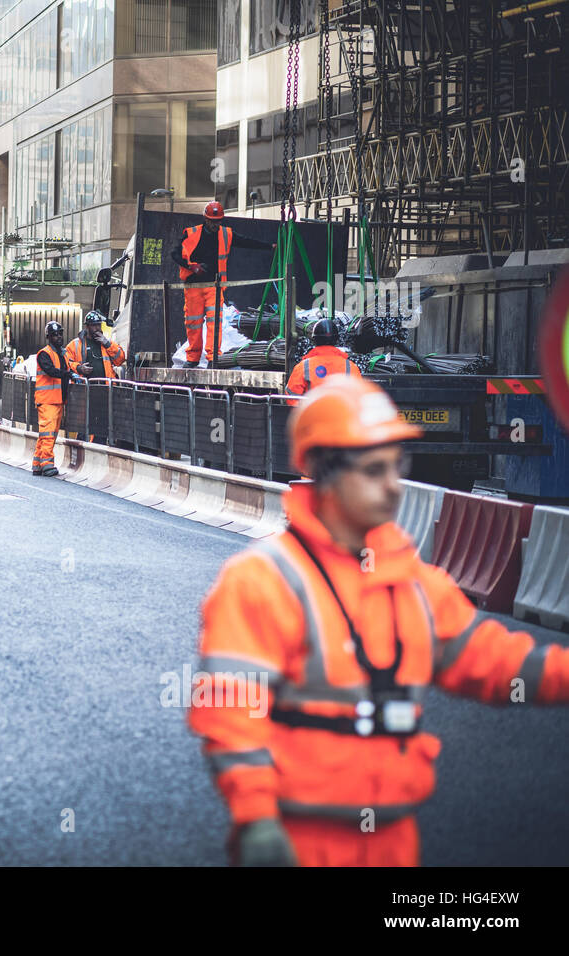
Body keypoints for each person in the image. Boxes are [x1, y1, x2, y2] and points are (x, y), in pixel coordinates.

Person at [189, 376, 569, 867]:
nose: (393, 486)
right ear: (323, 473)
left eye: (396, 467)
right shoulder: (262, 581)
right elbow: (232, 711)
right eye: (374, 470)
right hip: (299, 841)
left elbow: (497, 663)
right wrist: (257, 818)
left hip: (393, 843)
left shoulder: (414, 582)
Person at [174, 201, 274, 364]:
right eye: (213, 221)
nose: (215, 224)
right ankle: (192, 358)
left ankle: (213, 357)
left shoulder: (225, 234)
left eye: (218, 221)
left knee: (215, 322)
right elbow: (175, 254)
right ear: (206, 219)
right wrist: (192, 267)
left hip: (214, 286)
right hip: (193, 287)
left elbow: (246, 241)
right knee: (193, 323)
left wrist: (269, 246)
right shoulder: (191, 233)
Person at [32, 321, 76, 476]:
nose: (58, 337)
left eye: (59, 334)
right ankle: (47, 463)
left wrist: (74, 371)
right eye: (54, 335)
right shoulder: (44, 354)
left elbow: (69, 367)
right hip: (47, 400)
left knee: (47, 434)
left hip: (58, 400)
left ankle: (37, 463)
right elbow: (51, 371)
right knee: (48, 433)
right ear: (48, 337)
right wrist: (68, 374)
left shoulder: (62, 354)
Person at [286, 318, 363, 402]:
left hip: (313, 413)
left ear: (314, 340)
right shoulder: (351, 367)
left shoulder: (304, 366)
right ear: (336, 339)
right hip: (342, 414)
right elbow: (358, 396)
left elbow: (292, 397)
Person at [65, 310, 127, 380]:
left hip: (105, 386)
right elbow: (66, 363)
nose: (97, 328)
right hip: (85, 387)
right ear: (87, 327)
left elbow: (120, 360)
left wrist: (107, 344)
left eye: (99, 325)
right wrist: (79, 368)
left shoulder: (107, 343)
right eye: (94, 325)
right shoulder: (74, 344)